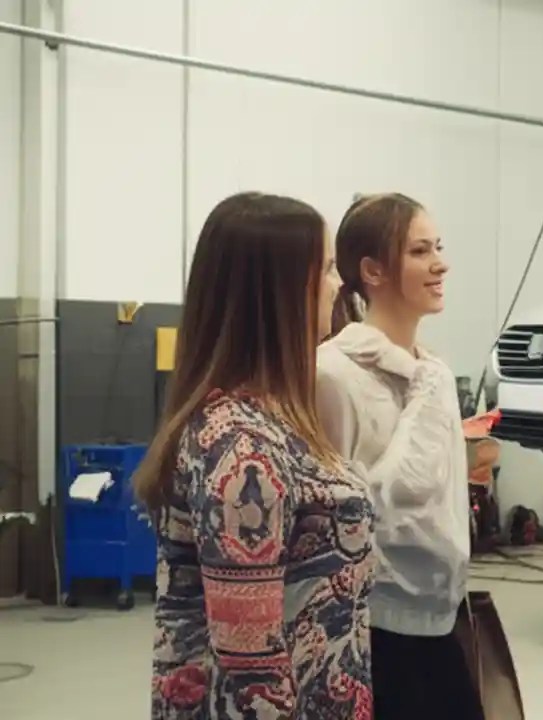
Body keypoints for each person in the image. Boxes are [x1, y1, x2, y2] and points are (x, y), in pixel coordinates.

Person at [136, 192, 376, 719]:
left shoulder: (272, 417)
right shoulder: (243, 451)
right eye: (327, 268)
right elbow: (253, 672)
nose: (340, 284)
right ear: (281, 290)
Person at [314, 192, 487, 720]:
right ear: (373, 271)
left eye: (438, 247)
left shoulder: (431, 372)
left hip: (441, 619)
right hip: (375, 631)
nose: (440, 263)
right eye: (419, 251)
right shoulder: (333, 374)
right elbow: (342, 517)